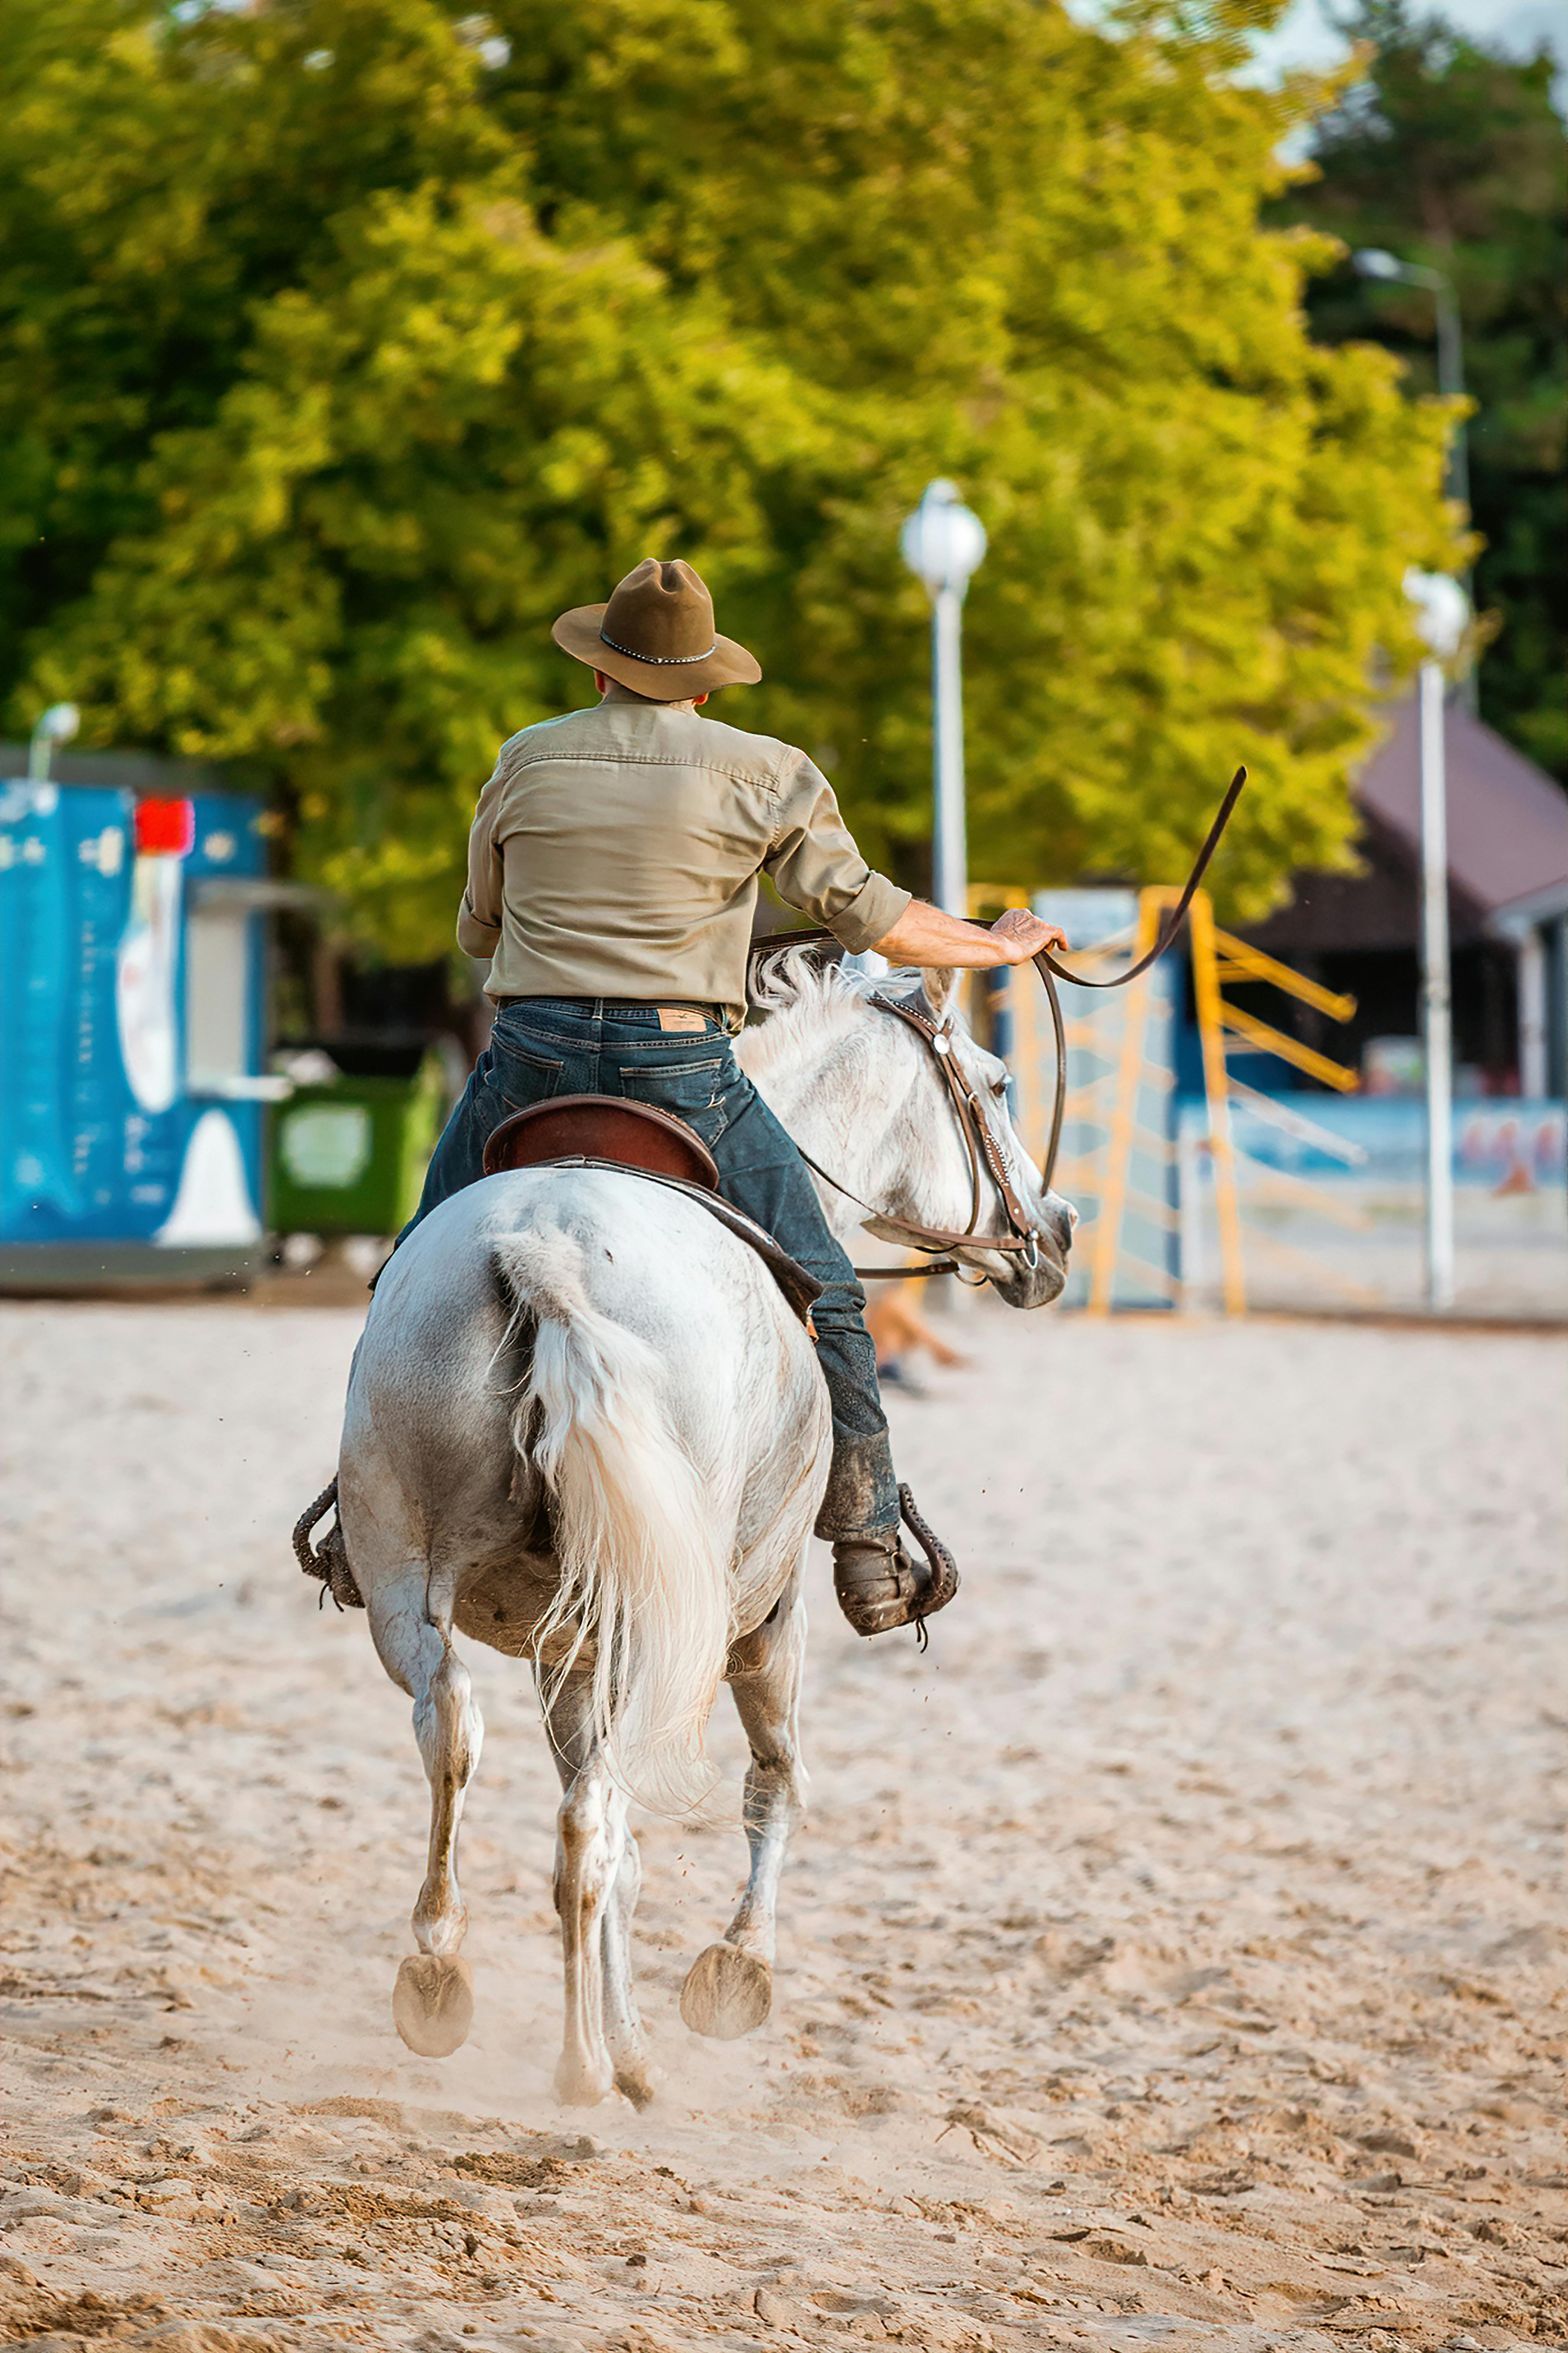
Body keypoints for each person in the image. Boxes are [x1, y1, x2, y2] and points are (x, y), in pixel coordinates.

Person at [399, 558, 1065, 1636]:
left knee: (414, 1263)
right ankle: (865, 1536)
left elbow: (479, 928)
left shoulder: (524, 758)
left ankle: (357, 1507)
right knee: (832, 1292)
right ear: (706, 686)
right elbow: (878, 922)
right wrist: (996, 947)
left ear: (602, 670)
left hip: (529, 1058)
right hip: (680, 1071)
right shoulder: (768, 771)